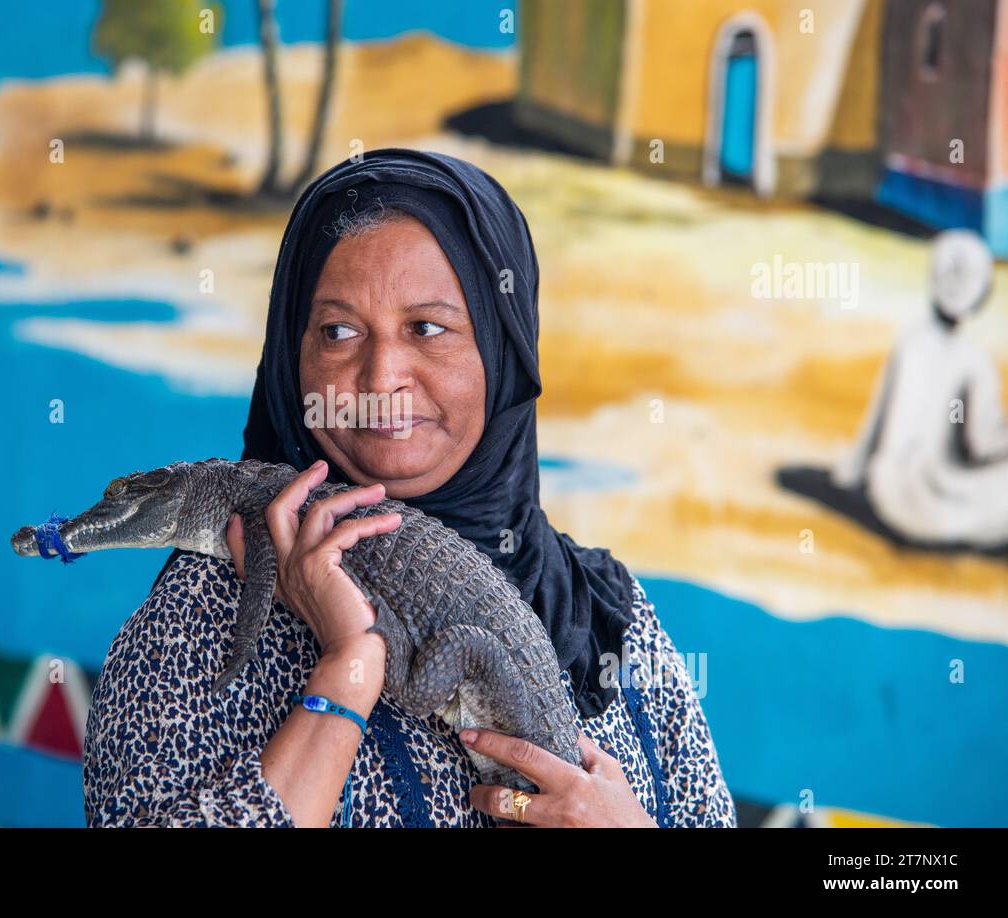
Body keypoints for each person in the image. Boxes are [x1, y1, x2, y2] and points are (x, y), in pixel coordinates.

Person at [82, 149, 736, 827]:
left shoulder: (605, 613)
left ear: (503, 352)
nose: (381, 377)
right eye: (338, 331)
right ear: (291, 358)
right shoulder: (205, 617)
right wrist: (348, 673)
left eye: (427, 328)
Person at [832, 229, 1008, 547]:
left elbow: (876, 422)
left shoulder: (909, 341)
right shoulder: (975, 361)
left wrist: (849, 474)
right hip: (931, 501)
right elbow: (980, 444)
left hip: (885, 491)